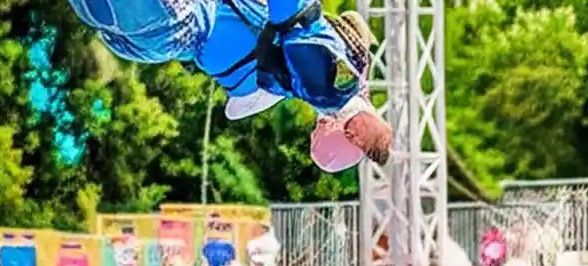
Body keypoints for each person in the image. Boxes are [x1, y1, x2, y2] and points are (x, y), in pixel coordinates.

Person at [65, 0, 391, 172]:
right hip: (144, 41)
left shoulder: (307, 72)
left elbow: (306, 43)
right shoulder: (271, 85)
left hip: (171, 20)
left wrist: (351, 107)